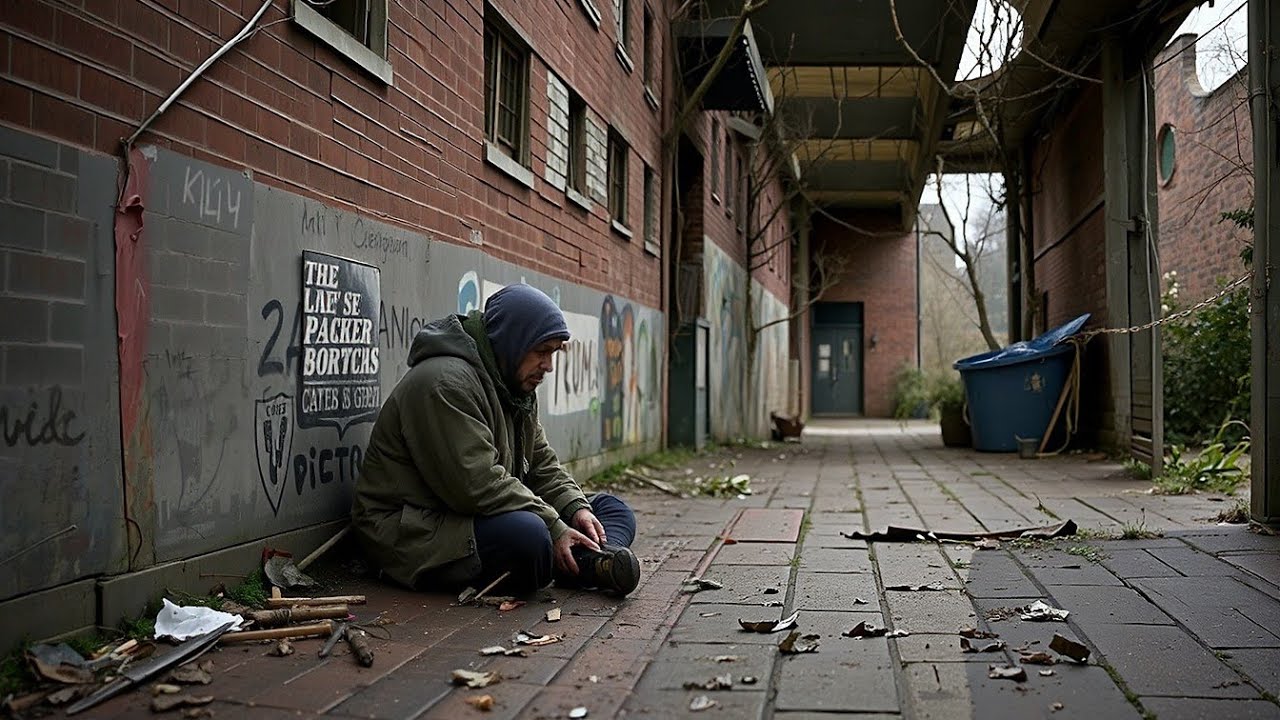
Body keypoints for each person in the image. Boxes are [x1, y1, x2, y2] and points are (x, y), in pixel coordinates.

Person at [352, 283, 641, 596]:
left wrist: (577, 510)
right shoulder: (444, 383)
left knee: (610, 509)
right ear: (511, 342)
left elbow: (542, 465)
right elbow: (476, 485)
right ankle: (581, 562)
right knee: (529, 537)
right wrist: (555, 526)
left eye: (553, 353)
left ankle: (585, 559)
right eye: (541, 352)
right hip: (413, 530)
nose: (548, 366)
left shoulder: (514, 384)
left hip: (473, 513)